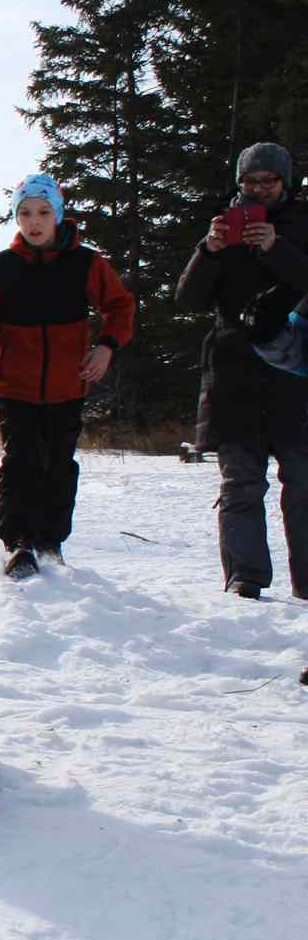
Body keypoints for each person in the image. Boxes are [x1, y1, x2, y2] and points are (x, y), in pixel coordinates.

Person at [0, 173, 135, 578]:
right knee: (20, 462)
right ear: (17, 218)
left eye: (43, 212)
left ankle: (51, 543)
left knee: (58, 463)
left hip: (68, 384)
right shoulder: (0, 268)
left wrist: (106, 346)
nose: (34, 221)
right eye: (25, 213)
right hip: (15, 385)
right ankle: (18, 545)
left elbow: (121, 307)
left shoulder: (86, 264)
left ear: (59, 215)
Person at [175, 143, 308, 599]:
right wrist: (208, 250)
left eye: (268, 181)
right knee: (241, 484)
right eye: (250, 181)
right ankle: (245, 581)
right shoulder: (222, 228)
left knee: (303, 482)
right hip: (232, 374)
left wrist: (277, 248)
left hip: (295, 372)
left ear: (286, 183)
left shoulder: (302, 224)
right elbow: (188, 299)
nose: (258, 190)